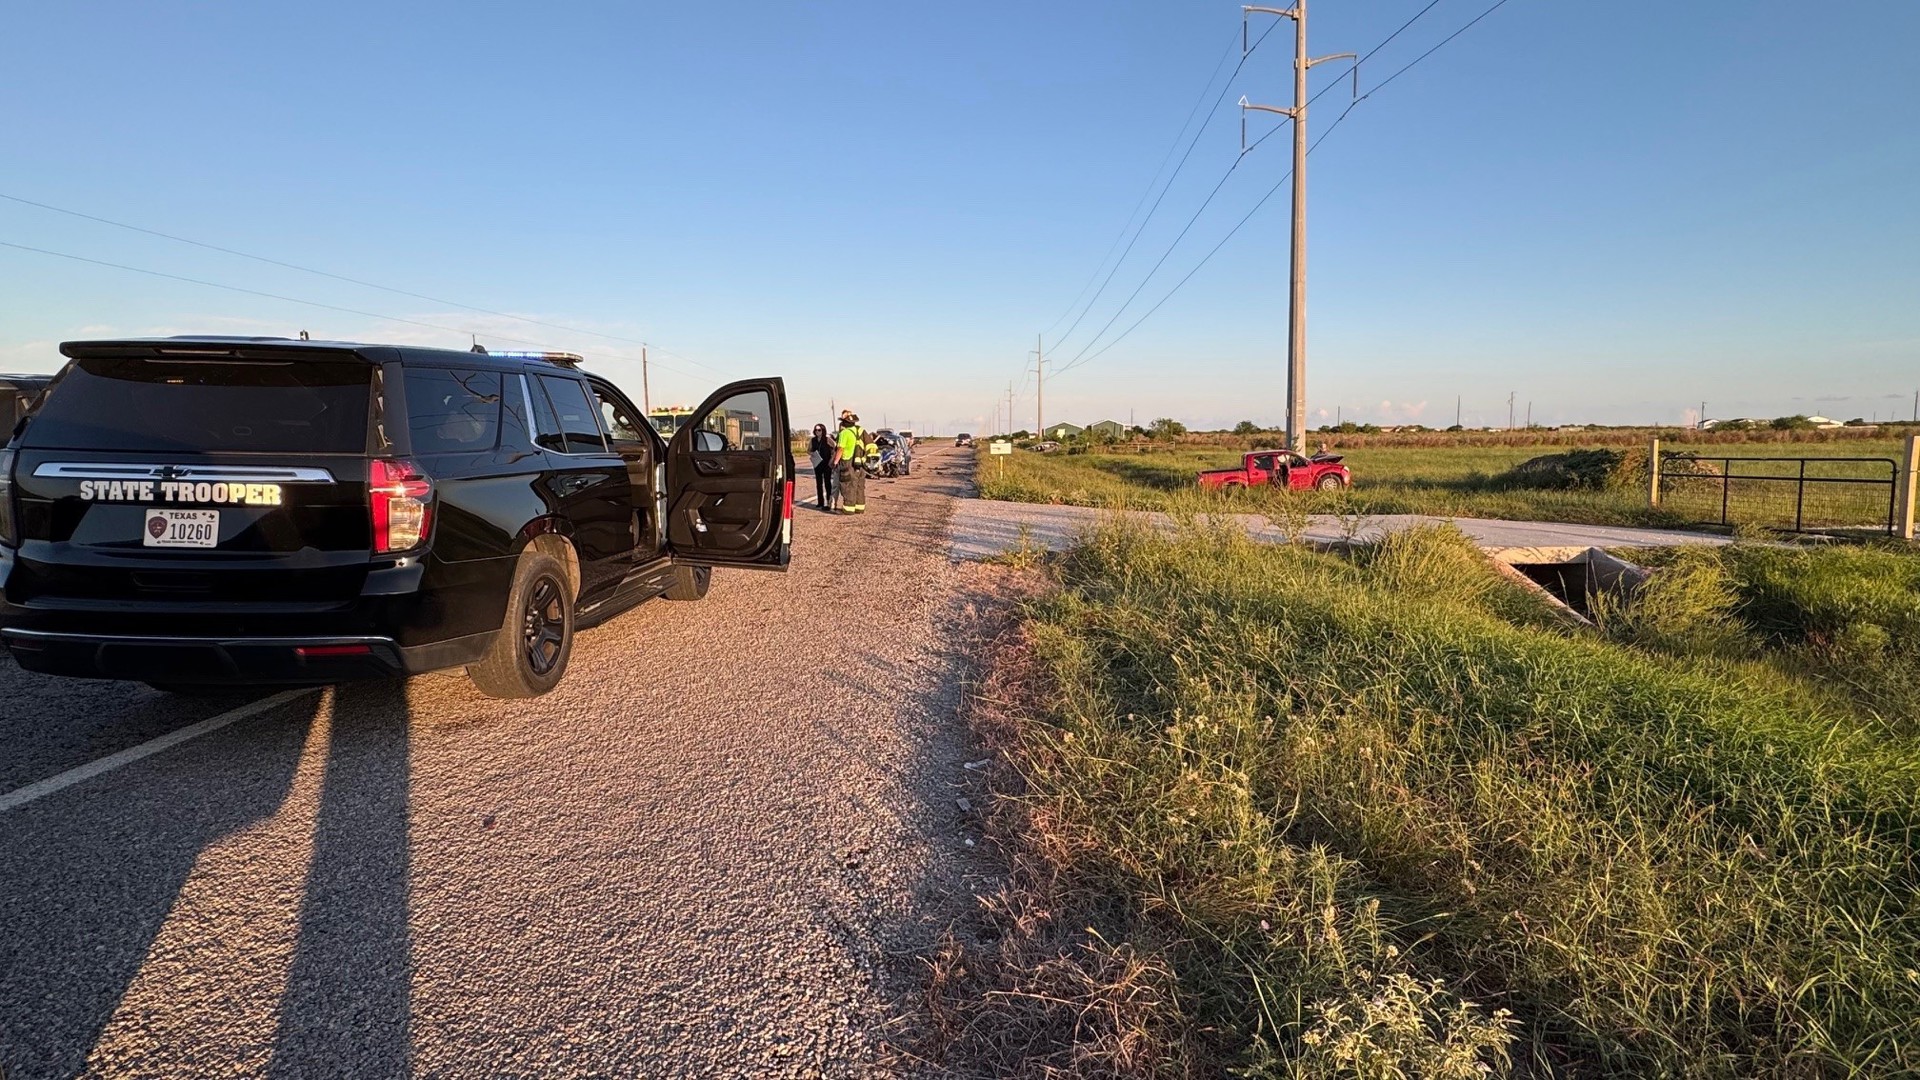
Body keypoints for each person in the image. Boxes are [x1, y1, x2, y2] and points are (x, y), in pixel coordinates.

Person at [834, 410, 867, 514]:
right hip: (860, 462)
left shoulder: (844, 433)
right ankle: (859, 507)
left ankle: (848, 509)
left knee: (848, 485)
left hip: (848, 462)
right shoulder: (859, 432)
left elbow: (840, 449)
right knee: (859, 486)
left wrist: (835, 462)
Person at [807, 423, 837, 510]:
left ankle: (829, 502)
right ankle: (820, 502)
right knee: (818, 483)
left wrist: (832, 458)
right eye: (816, 430)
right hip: (817, 464)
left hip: (826, 464)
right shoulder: (812, 440)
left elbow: (835, 447)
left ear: (823, 430)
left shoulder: (827, 439)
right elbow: (808, 450)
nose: (817, 432)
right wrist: (813, 454)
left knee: (827, 483)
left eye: (819, 430)